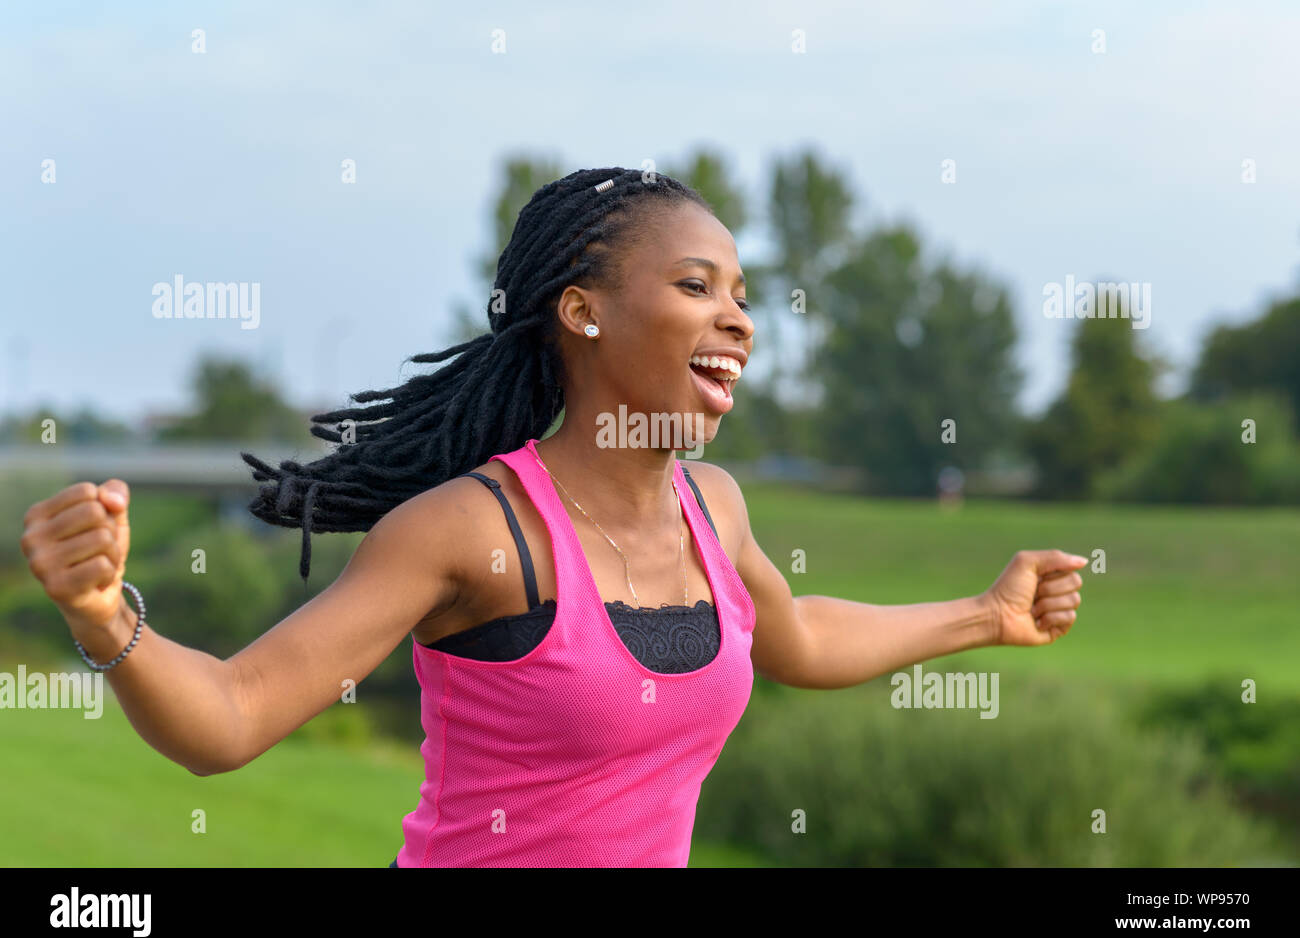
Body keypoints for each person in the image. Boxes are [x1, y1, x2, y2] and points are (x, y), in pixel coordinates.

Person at [19, 167, 1087, 867]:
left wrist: (984, 616)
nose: (737, 319)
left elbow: (794, 635)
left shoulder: (713, 507)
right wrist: (105, 613)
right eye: (694, 285)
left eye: (742, 294)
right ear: (581, 311)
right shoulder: (471, 532)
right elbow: (232, 718)